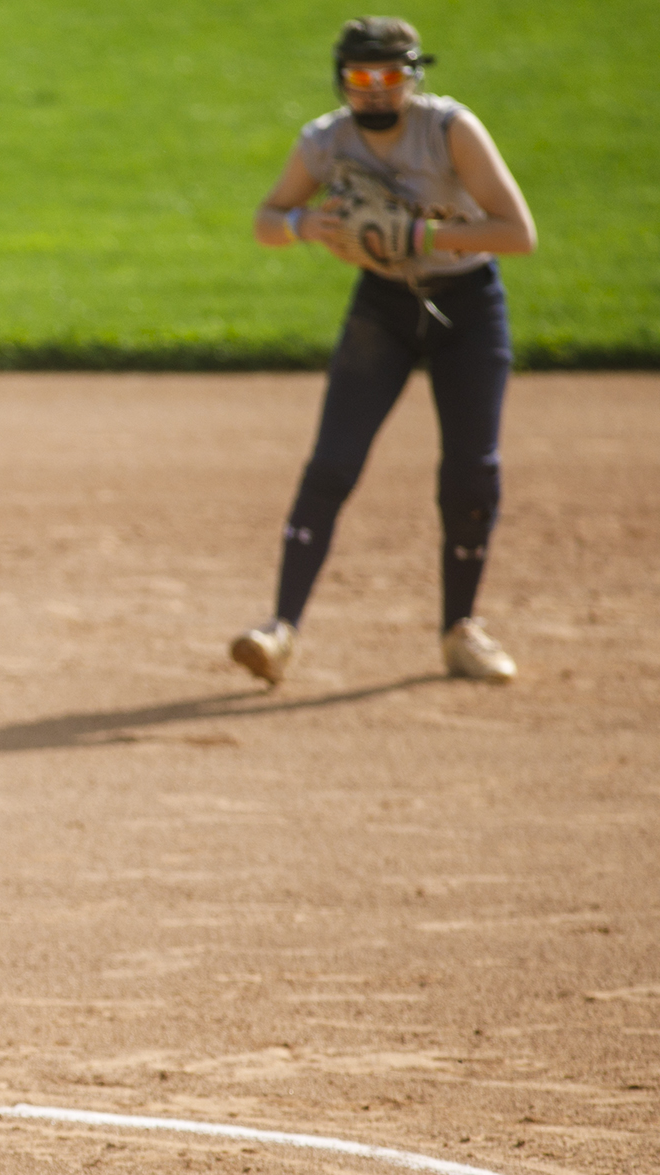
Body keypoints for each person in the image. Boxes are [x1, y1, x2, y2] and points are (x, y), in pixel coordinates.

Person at [230, 16, 536, 686]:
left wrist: (419, 238)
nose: (374, 92)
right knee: (332, 463)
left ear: (413, 77)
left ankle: (462, 631)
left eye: (389, 77)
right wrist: (303, 224)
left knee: (469, 470)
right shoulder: (325, 139)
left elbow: (518, 232)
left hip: (468, 306)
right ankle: (279, 631)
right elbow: (265, 220)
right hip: (383, 306)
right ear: (341, 81)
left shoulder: (451, 130)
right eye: (360, 79)